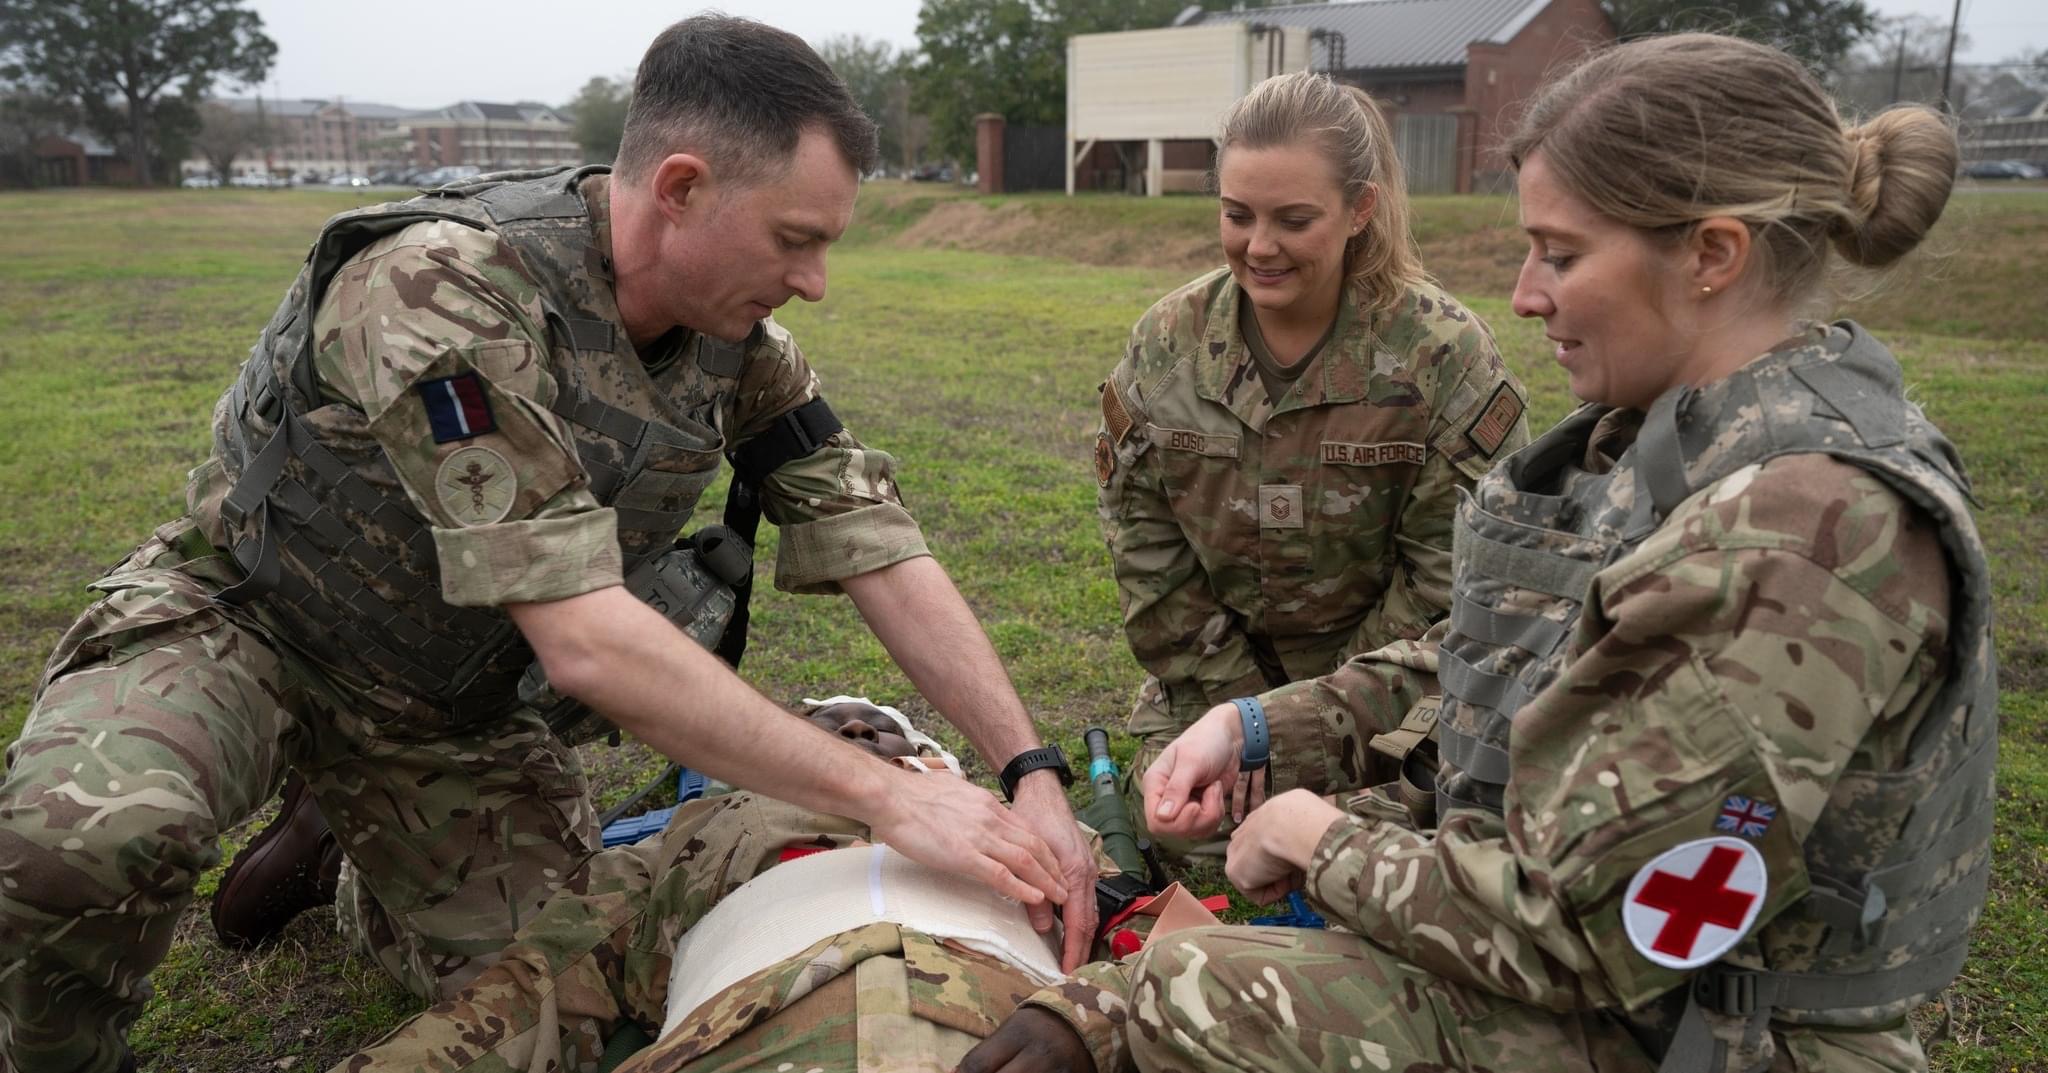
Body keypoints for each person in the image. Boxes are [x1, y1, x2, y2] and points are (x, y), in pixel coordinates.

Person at [0, 18, 1096, 1073]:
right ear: (680, 188)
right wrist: (893, 795)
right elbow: (585, 643)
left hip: (444, 708)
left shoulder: (744, 353)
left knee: (551, 980)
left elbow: (875, 543)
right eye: (794, 238)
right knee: (77, 841)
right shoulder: (443, 282)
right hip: (251, 623)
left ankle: (342, 850)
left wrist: (1029, 769)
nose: (813, 280)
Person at [1128, 33, 1996, 1073]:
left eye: (1562, 254)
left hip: (1721, 1034)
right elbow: (1519, 649)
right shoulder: (1682, 438)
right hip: (1652, 996)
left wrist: (1317, 837)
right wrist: (1264, 725)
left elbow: (1587, 930)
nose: (1525, 295)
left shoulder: (1803, 530)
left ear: (1712, 255)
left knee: (1193, 987)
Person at [1094, 72, 1529, 853]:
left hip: (1390, 696)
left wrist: (1304, 729)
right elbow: (1146, 546)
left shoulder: (1441, 355)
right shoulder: (1167, 343)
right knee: (1183, 823)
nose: (1259, 246)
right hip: (1213, 682)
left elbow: (1453, 582)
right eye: (1237, 214)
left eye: (1294, 220)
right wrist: (1238, 715)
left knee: (1387, 833)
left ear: (1360, 209)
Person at [330, 699, 1143, 1073]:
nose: (859, 728)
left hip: (1007, 1041)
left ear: (940, 765)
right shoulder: (696, 836)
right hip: (747, 1032)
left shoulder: (1047, 837)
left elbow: (1161, 956)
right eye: (824, 726)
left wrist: (1089, 1016)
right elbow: (534, 990)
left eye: (888, 731)